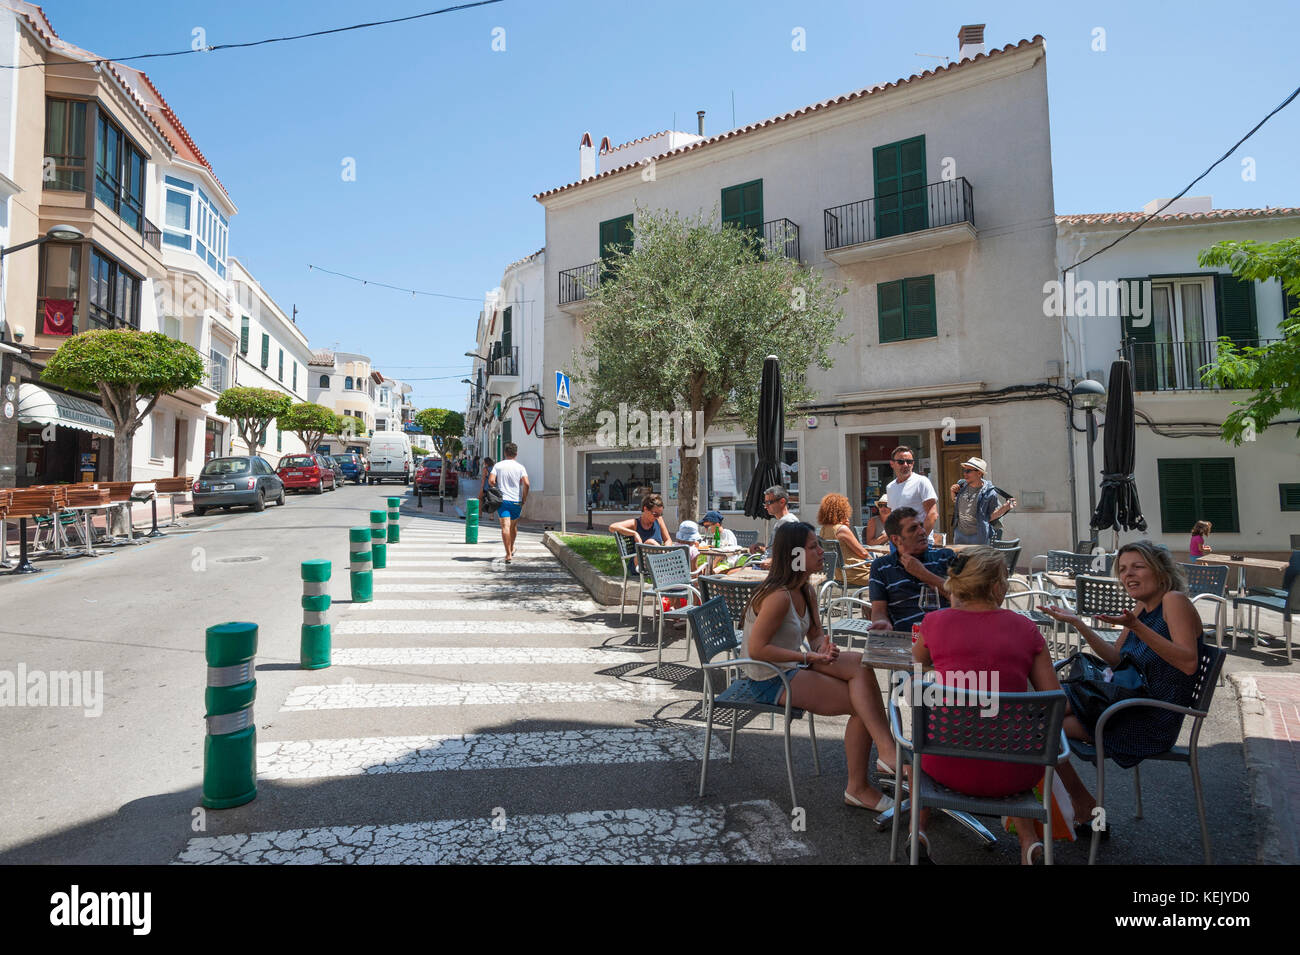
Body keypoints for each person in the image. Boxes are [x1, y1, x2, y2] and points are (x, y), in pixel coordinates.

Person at [910, 546, 1065, 864]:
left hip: (945, 767)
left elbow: (915, 663)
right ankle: (1030, 844)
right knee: (1011, 733)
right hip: (1016, 773)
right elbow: (1054, 698)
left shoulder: (935, 623)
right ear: (997, 586)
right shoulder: (1026, 628)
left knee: (913, 748)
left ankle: (919, 832)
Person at [1039, 541, 1205, 827]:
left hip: (1149, 718)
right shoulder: (1142, 607)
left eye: (1138, 567)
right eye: (1124, 569)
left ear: (1160, 571)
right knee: (1041, 720)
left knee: (1041, 728)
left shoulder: (1173, 600)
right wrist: (1079, 624)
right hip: (1123, 704)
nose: (1129, 575)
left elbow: (1188, 662)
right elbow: (1117, 660)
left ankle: (1080, 805)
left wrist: (1137, 627)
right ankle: (1081, 806)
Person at [737, 521, 899, 812]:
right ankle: (861, 784)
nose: (821, 551)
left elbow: (815, 637)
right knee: (861, 705)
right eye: (814, 547)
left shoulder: (806, 590)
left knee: (862, 666)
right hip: (770, 678)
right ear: (796, 554)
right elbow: (757, 650)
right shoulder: (778, 597)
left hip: (792, 664)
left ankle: (886, 753)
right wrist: (810, 658)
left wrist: (823, 648)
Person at [868, 506, 957, 631]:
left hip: (948, 634)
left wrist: (923, 574)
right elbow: (878, 610)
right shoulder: (882, 566)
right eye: (913, 528)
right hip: (905, 640)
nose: (922, 531)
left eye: (921, 525)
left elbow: (965, 600)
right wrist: (883, 623)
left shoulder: (945, 557)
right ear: (896, 539)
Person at [947, 456, 1017, 545]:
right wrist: (952, 492)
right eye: (964, 470)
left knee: (978, 559)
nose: (965, 474)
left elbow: (989, 517)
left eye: (968, 471)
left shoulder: (990, 493)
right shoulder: (961, 485)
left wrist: (1004, 508)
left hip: (978, 536)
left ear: (979, 473)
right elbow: (957, 503)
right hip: (959, 534)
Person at [817, 492, 873, 590]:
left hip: (838, 574)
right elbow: (863, 553)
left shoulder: (824, 529)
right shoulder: (841, 529)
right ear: (842, 510)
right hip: (855, 574)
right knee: (888, 576)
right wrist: (874, 561)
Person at [885, 445, 938, 543]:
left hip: (918, 543)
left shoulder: (921, 482)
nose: (905, 465)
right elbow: (891, 514)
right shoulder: (890, 487)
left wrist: (920, 538)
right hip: (899, 543)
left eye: (909, 462)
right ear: (892, 464)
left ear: (913, 464)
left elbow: (932, 514)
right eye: (901, 462)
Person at [488, 444, 529, 563]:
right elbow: (526, 483)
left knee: (505, 526)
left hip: (503, 501)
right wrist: (524, 498)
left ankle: (508, 554)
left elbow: (491, 481)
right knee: (513, 526)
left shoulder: (498, 465)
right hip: (516, 501)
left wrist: (496, 487)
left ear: (505, 453)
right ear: (516, 454)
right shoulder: (520, 467)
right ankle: (511, 547)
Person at [752, 485, 800, 567]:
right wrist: (762, 549)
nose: (766, 506)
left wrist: (772, 561)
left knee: (727, 575)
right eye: (765, 503)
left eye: (769, 502)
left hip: (775, 572)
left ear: (782, 502)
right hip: (768, 567)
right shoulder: (781, 522)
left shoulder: (789, 522)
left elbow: (794, 553)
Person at [479, 456, 495, 524]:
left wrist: (481, 489)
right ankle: (491, 516)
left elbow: (483, 480)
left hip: (486, 487)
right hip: (493, 487)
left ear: (486, 463)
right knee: (491, 501)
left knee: (480, 499)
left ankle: (480, 514)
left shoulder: (485, 469)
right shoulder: (494, 468)